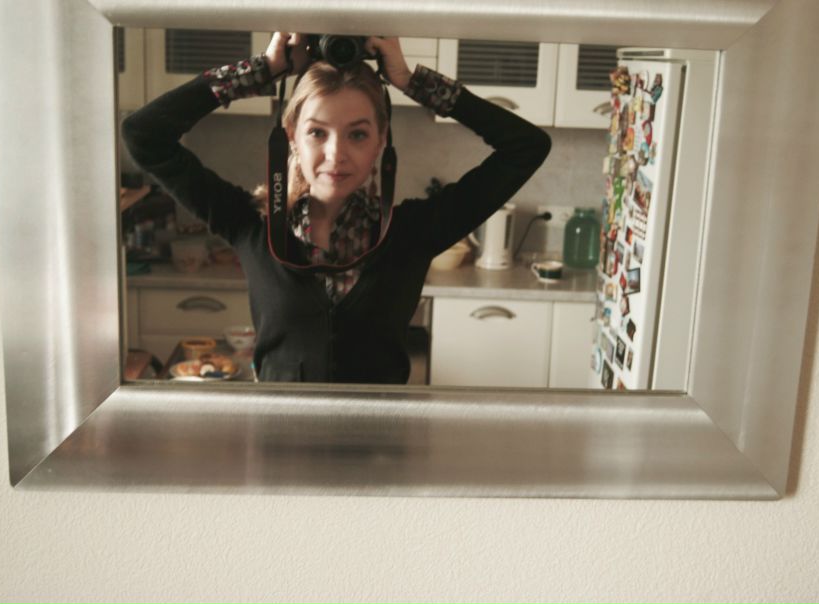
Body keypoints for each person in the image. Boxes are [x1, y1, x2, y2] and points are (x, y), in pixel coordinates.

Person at [122, 32, 551, 384]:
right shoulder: (251, 224)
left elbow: (526, 147)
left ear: (381, 141)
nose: (336, 154)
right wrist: (261, 70)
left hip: (380, 453)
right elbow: (143, 135)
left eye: (358, 134)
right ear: (292, 136)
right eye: (317, 132)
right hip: (277, 451)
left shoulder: (414, 231)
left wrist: (411, 81)